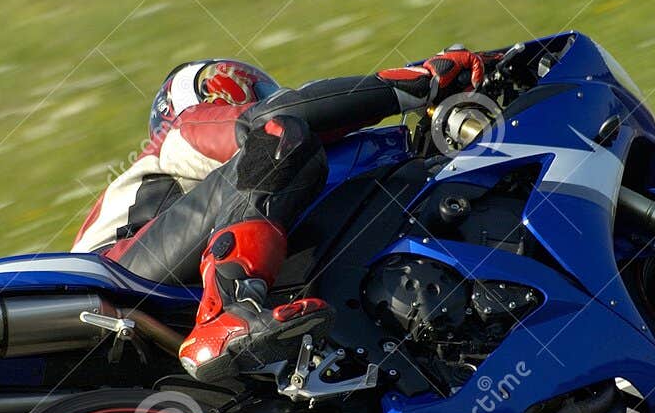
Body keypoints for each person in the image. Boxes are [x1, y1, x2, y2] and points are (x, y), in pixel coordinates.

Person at [73, 48, 499, 381]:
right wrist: (421, 82)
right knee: (281, 138)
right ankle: (225, 313)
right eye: (239, 92)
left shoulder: (220, 191)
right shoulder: (181, 132)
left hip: (140, 292)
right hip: (115, 275)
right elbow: (279, 121)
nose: (255, 98)